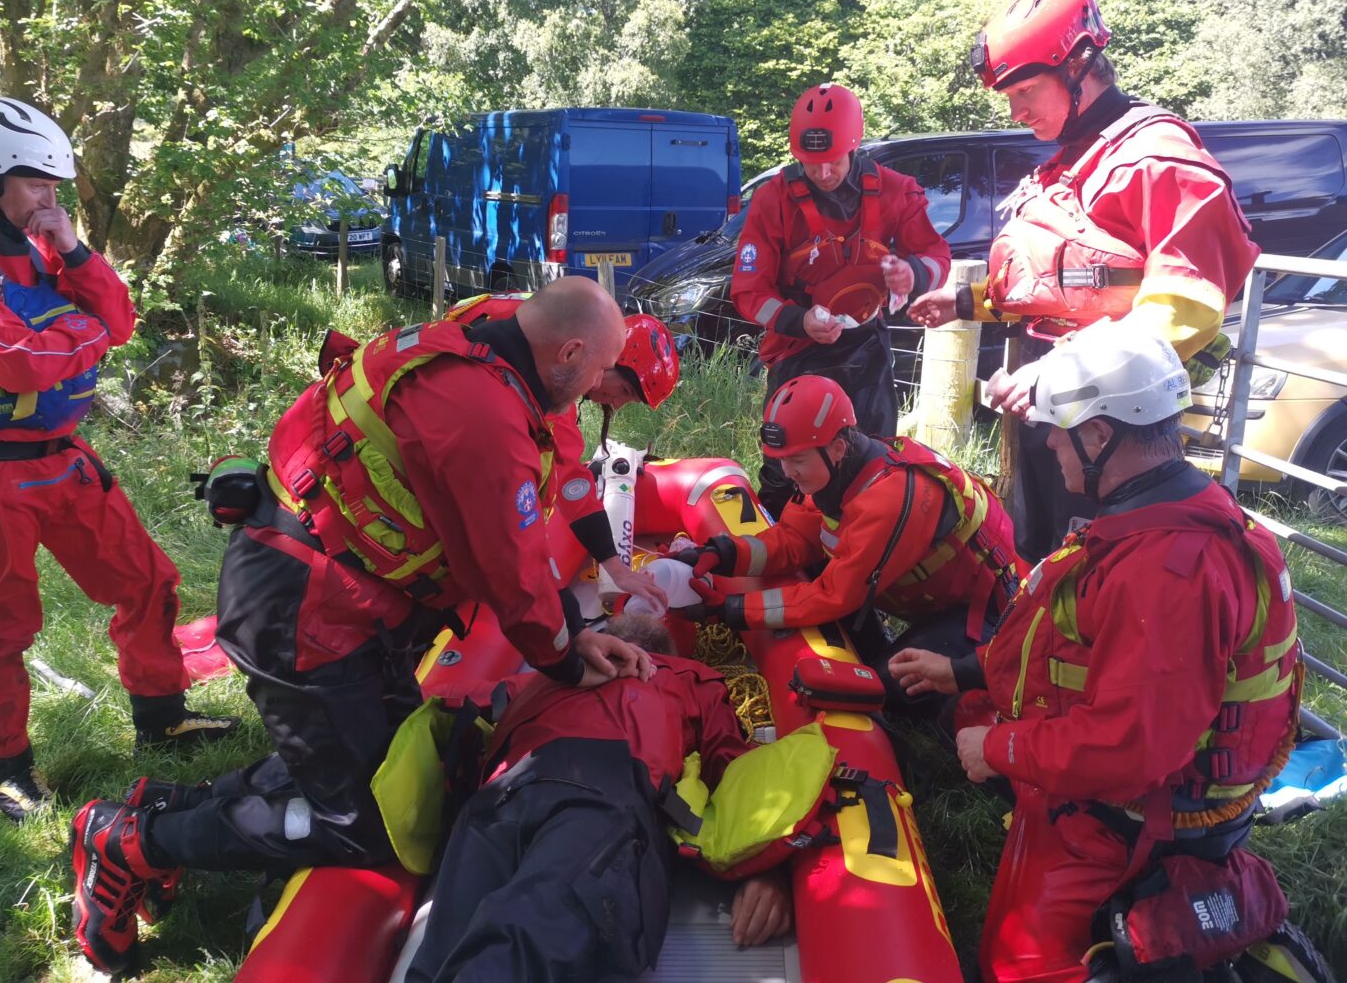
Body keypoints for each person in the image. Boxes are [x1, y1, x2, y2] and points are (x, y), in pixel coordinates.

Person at [68, 277, 656, 974]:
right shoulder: (482, 415)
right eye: (595, 373)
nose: (596, 391)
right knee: (361, 829)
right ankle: (135, 840)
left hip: (347, 593)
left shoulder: (503, 332)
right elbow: (514, 569)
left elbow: (536, 494)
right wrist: (567, 654)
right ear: (570, 350)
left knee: (389, 772)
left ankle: (171, 803)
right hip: (305, 609)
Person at [889, 321, 1300, 983]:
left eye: (1059, 427)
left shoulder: (1168, 572)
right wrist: (963, 673)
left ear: (1101, 434)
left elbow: (1129, 750)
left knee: (1016, 964)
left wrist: (997, 748)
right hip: (1122, 804)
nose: (1049, 441)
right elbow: (1071, 655)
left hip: (1134, 834)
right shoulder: (1172, 518)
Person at [0, 96, 236, 822]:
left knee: (148, 581)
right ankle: (6, 769)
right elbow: (20, 361)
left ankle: (162, 718)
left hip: (59, 459)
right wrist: (90, 331)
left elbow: (120, 317)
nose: (49, 196)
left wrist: (73, 251)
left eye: (55, 184)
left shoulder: (40, 238)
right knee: (0, 622)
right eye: (36, 182)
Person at [908, 0, 1259, 560]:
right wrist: (968, 304)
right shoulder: (1079, 158)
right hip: (1051, 404)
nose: (1016, 111)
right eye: (1007, 96)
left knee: (1094, 567)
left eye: (1025, 90)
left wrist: (1062, 373)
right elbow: (1067, 282)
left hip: (1111, 429)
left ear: (1078, 66)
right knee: (1039, 553)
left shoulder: (1154, 157)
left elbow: (1187, 305)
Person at [406, 610, 792, 983]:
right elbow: (734, 767)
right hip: (579, 795)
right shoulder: (687, 677)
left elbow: (446, 699)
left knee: (478, 943)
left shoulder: (541, 679)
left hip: (518, 796)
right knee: (507, 936)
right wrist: (768, 867)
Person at [678, 375, 1022, 716]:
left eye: (796, 460)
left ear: (838, 449)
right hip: (928, 600)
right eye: (780, 460)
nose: (786, 473)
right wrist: (723, 554)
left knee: (888, 685)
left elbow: (834, 594)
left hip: (985, 614)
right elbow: (793, 539)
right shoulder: (836, 471)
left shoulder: (886, 499)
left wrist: (731, 610)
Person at [731, 81, 951, 517]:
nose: (823, 173)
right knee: (787, 466)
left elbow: (937, 255)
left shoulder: (894, 190)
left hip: (866, 349)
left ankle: (872, 543)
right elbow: (749, 291)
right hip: (798, 351)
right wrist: (798, 320)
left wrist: (914, 273)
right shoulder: (774, 200)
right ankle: (778, 548)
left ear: (853, 145)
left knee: (876, 460)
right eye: (810, 163)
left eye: (832, 161)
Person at [446, 292, 682, 606]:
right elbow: (570, 478)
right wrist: (614, 568)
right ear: (607, 358)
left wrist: (612, 564)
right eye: (623, 390)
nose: (618, 403)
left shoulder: (561, 321)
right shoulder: (555, 370)